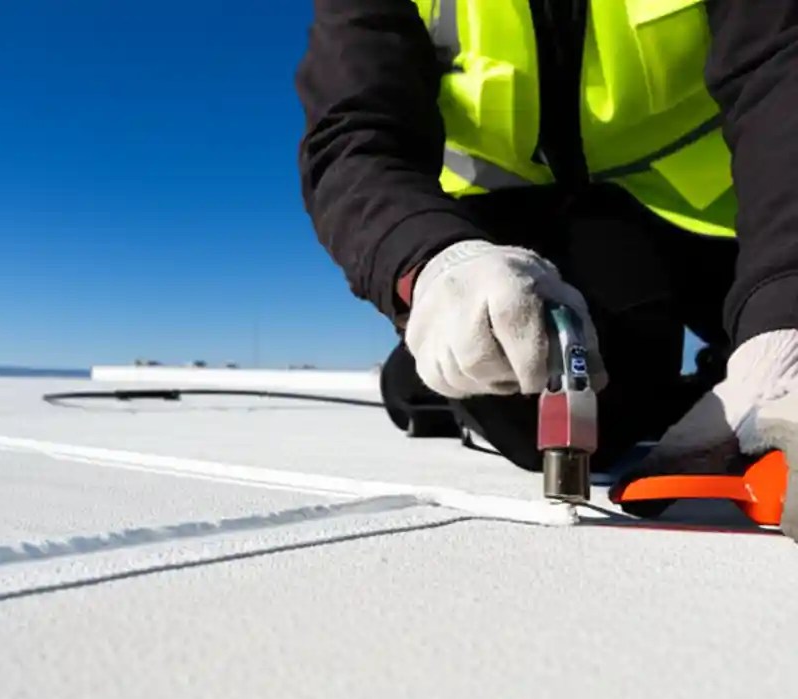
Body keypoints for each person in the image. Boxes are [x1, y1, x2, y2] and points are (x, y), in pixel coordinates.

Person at [295, 1, 798, 495]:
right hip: (526, 246)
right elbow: (356, 134)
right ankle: (436, 370)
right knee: (551, 381)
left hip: (739, 220)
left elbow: (781, 65)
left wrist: (787, 314)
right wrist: (434, 260)